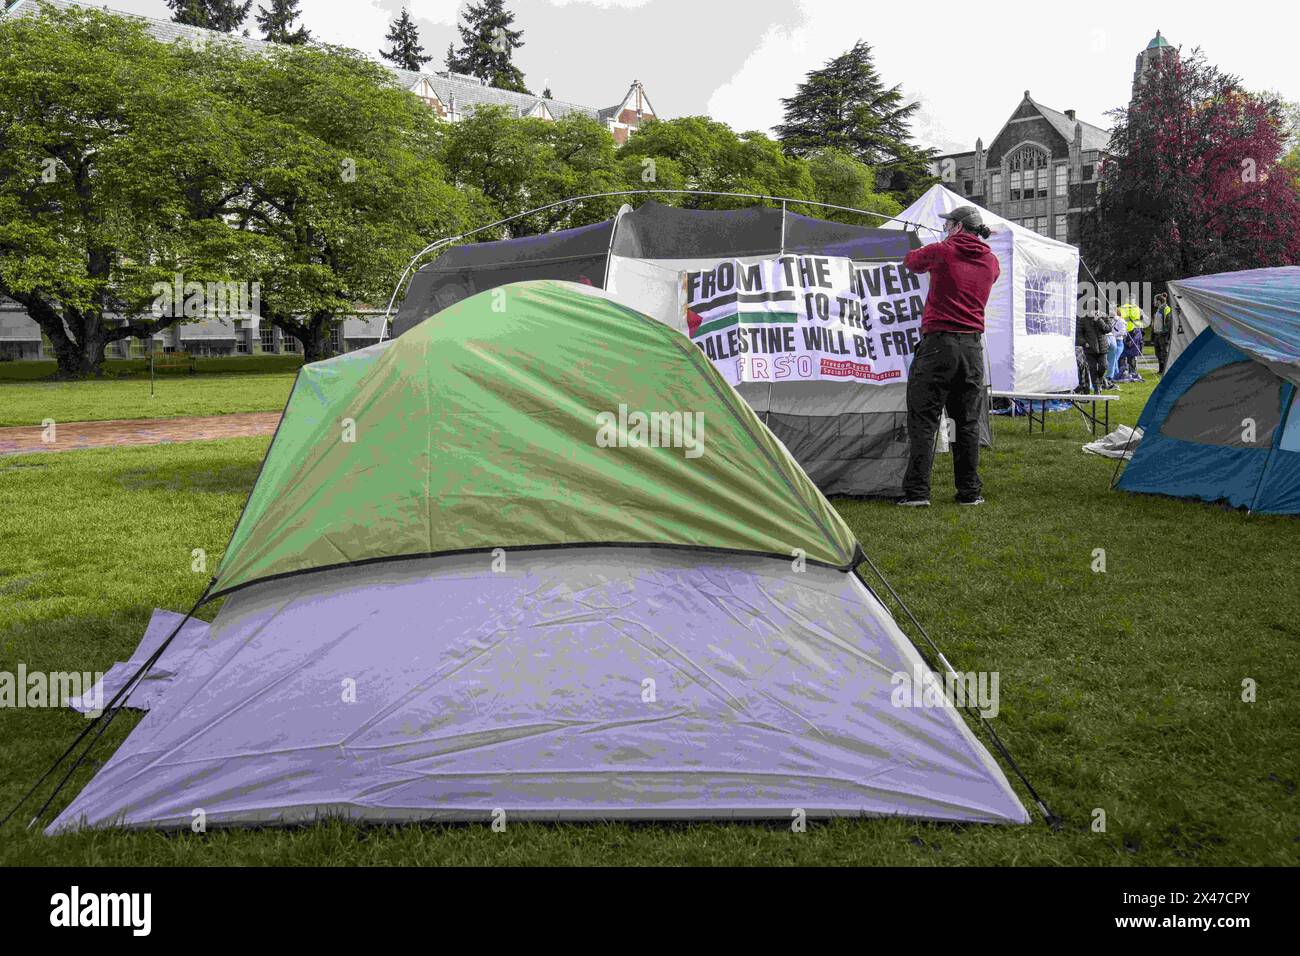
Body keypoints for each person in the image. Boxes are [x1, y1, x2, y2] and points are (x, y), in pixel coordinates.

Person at [897, 206, 1000, 507]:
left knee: (924, 420)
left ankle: (917, 494)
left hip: (938, 345)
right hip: (972, 349)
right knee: (966, 423)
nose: (945, 228)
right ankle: (969, 492)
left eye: (948, 224)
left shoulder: (942, 251)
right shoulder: (991, 261)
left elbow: (912, 261)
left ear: (956, 227)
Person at [1078, 309, 1112, 393]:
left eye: (1097, 310)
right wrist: (1084, 342)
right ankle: (1097, 388)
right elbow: (1079, 334)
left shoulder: (1104, 316)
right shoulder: (1084, 318)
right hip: (1090, 349)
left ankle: (1100, 380)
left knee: (1103, 367)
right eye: (1093, 309)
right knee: (1092, 369)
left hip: (1102, 348)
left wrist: (1099, 320)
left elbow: (1108, 329)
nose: (1095, 312)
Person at [1151, 292, 1173, 373]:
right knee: (1158, 353)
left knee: (1164, 353)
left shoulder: (1166, 309)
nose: (1154, 302)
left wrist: (1163, 333)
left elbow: (1168, 323)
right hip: (1157, 335)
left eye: (1155, 300)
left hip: (1163, 335)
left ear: (1159, 301)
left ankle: (1166, 370)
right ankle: (1161, 370)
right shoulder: (1158, 309)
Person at [1107, 305, 1126, 384]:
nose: (1110, 312)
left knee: (1115, 359)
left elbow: (1123, 332)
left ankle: (1114, 376)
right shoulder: (1110, 320)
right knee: (1113, 360)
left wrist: (1113, 335)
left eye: (1111, 310)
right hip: (1112, 341)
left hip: (1118, 342)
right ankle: (1116, 375)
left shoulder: (1121, 321)